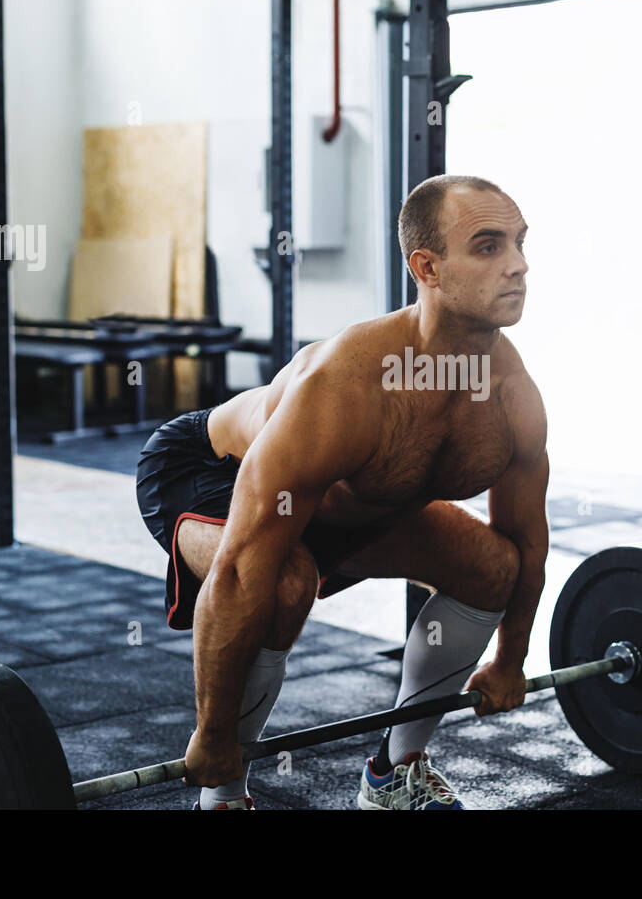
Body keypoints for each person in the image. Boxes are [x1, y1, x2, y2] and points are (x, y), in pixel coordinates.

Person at [136, 174, 548, 809]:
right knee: (282, 580)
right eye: (489, 246)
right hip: (209, 469)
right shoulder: (347, 387)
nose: (519, 265)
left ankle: (394, 774)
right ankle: (223, 799)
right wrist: (214, 736)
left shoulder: (513, 397)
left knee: (492, 567)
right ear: (427, 267)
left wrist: (511, 659)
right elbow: (244, 570)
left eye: (520, 243)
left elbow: (526, 538)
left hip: (352, 509)